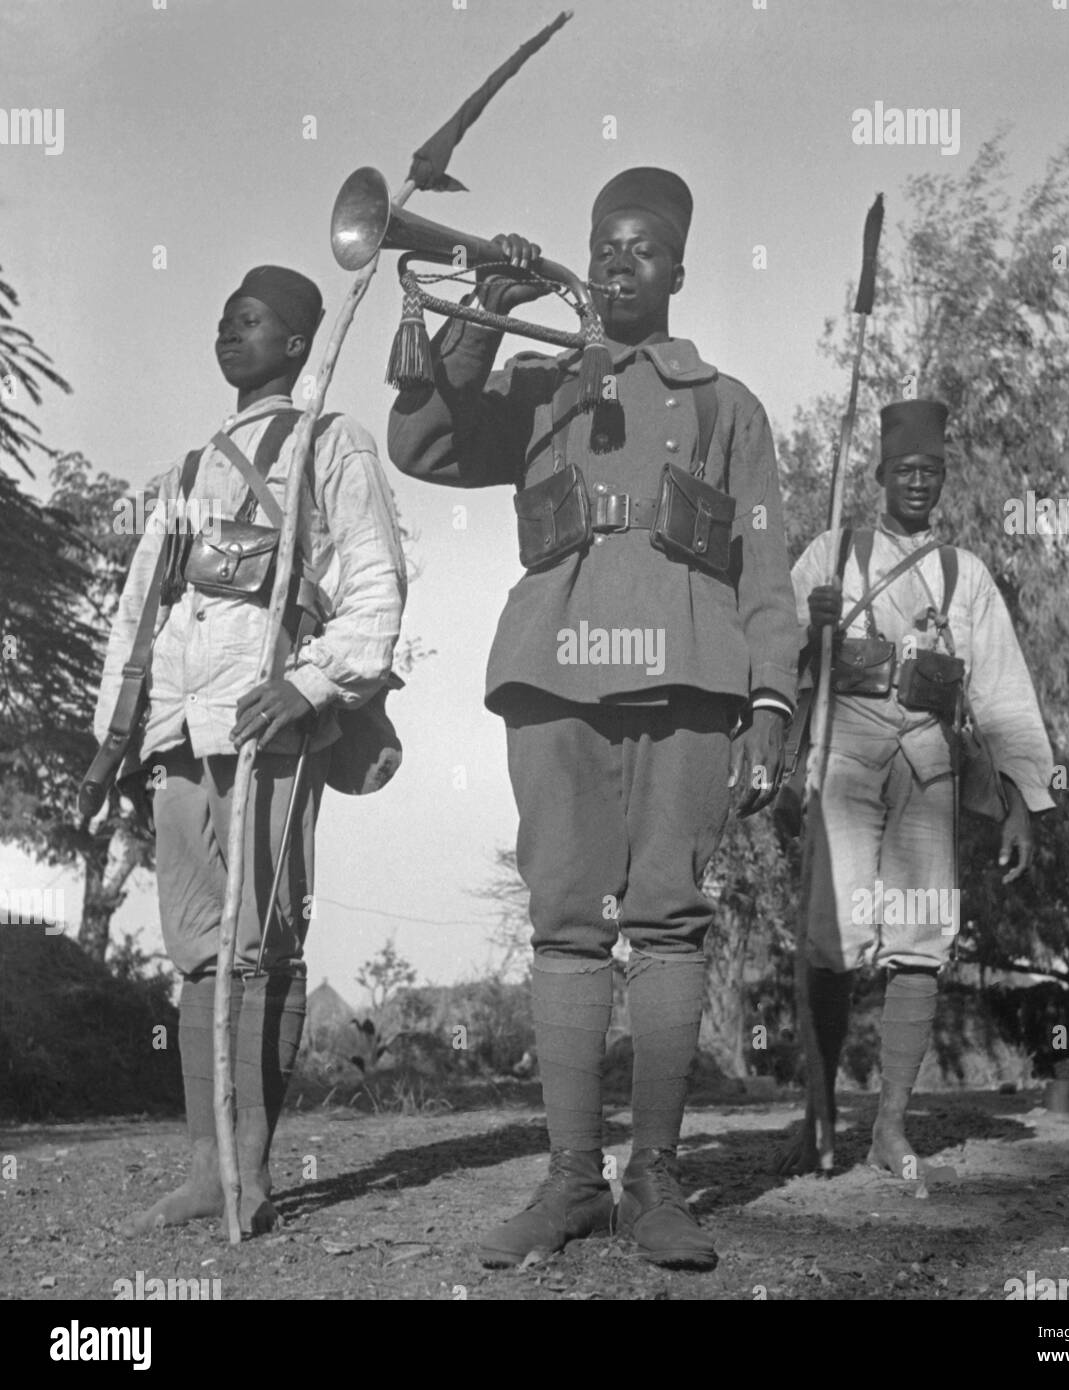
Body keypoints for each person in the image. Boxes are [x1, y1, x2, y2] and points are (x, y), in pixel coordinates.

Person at [388, 168, 800, 1270]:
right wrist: (479, 312)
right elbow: (423, 446)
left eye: (641, 248)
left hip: (690, 672)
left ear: (678, 271)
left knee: (668, 919)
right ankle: (573, 1180)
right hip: (554, 666)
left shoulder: (728, 404)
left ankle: (655, 1179)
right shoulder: (541, 382)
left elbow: (766, 570)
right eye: (602, 244)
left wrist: (771, 699)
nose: (618, 261)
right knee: (565, 918)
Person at [92, 265, 406, 1236]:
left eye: (254, 319)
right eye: (226, 317)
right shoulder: (188, 471)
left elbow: (376, 586)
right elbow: (137, 615)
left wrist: (309, 684)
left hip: (267, 728)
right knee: (198, 955)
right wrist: (112, 743)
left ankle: (252, 1174)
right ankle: (204, 1171)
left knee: (261, 947)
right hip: (177, 732)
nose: (231, 330)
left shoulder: (333, 443)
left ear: (299, 342)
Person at [786, 399, 1054, 1179]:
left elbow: (1002, 692)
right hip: (844, 746)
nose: (917, 483)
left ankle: (890, 1127)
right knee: (831, 937)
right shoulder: (832, 552)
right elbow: (769, 642)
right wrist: (812, 626)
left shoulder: (963, 574)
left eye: (930, 471)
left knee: (922, 936)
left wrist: (1022, 803)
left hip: (929, 756)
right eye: (904, 469)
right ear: (879, 474)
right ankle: (819, 1115)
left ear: (942, 479)